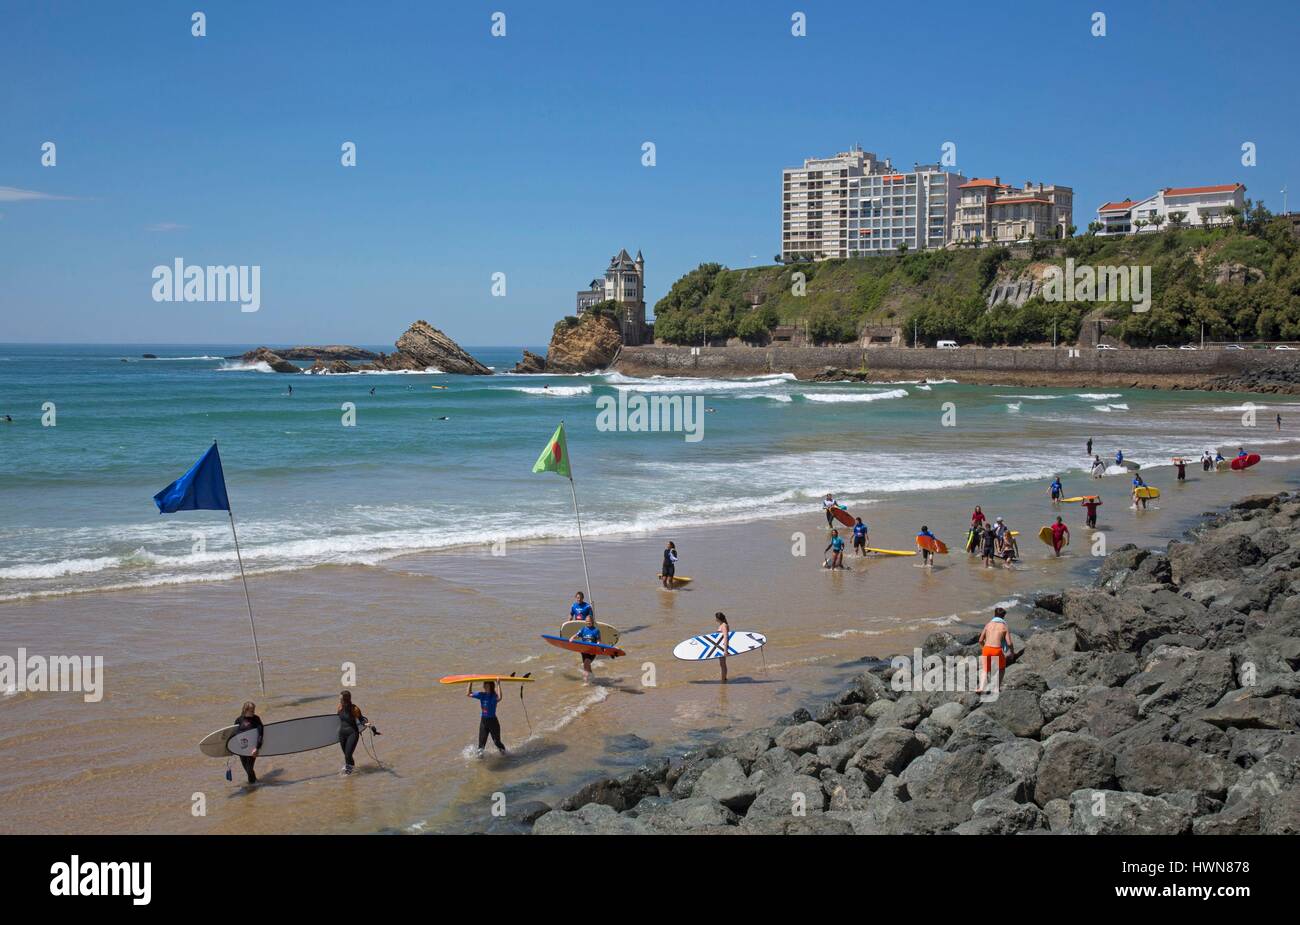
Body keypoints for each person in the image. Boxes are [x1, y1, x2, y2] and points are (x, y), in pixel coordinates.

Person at [976, 607, 1016, 693]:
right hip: (997, 650)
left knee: (985, 669)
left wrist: (984, 648)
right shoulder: (1004, 626)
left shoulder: (988, 624)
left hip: (986, 649)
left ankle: (981, 688)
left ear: (994, 615)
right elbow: (1009, 643)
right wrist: (1012, 653)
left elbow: (980, 640)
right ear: (1003, 617)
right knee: (1002, 668)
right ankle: (996, 688)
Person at [337, 690, 373, 776]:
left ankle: (349, 772)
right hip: (342, 733)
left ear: (345, 699)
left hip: (352, 733)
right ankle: (351, 769)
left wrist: (365, 723)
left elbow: (361, 719)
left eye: (340, 698)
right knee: (346, 755)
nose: (339, 699)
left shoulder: (354, 708)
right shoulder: (339, 707)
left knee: (348, 754)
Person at [467, 680, 506, 757]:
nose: (484, 686)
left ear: (491, 686)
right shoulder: (481, 695)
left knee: (497, 742)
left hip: (493, 722)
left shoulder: (494, 696)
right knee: (481, 746)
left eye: (486, 685)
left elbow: (500, 697)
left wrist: (498, 684)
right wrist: (470, 682)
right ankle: (479, 762)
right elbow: (468, 693)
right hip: (484, 722)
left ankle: (505, 755)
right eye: (484, 685)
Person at [233, 701, 263, 785]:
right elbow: (233, 736)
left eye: (254, 710)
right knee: (246, 769)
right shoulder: (239, 720)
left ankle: (252, 787)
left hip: (252, 749)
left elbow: (261, 734)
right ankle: (255, 783)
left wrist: (257, 748)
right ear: (245, 710)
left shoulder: (256, 719)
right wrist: (232, 749)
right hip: (242, 749)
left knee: (249, 768)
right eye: (252, 710)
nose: (253, 712)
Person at [568, 611, 602, 683]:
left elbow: (599, 641)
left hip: (592, 651)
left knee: (586, 664)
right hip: (584, 651)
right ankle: (593, 678)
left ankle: (586, 682)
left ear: (592, 621)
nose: (588, 623)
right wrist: (572, 638)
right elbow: (577, 635)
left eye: (589, 621)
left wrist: (598, 647)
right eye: (586, 621)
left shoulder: (596, 630)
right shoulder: (583, 629)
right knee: (586, 666)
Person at [714, 612, 730, 683]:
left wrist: (725, 650)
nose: (715, 619)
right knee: (722, 664)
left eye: (716, 618)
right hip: (720, 647)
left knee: (723, 664)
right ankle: (724, 678)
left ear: (718, 618)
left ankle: (723, 680)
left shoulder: (724, 625)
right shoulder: (722, 625)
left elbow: (726, 637)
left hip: (723, 647)